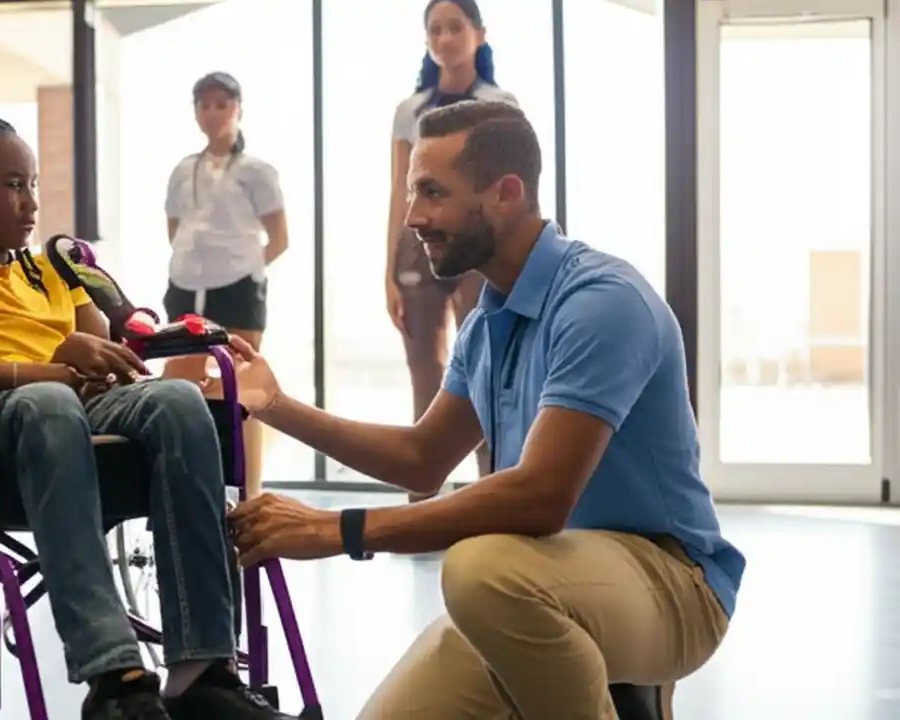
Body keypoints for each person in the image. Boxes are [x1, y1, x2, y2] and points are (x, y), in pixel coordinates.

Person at [219, 100, 746, 719]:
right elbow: (423, 459)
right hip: (538, 580)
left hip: (670, 583)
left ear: (506, 193)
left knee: (480, 569)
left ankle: (627, 691)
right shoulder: (487, 322)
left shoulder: (601, 302)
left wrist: (339, 530)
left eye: (432, 192)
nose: (413, 217)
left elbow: (540, 497)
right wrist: (276, 404)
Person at [0, 111, 295, 720]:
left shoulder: (55, 269)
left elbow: (100, 349)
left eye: (32, 184)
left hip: (74, 407)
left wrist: (101, 355)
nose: (29, 202)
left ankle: (202, 671)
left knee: (179, 399)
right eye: (11, 185)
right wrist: (45, 367)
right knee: (50, 402)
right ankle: (113, 674)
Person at [386, 0, 516, 501]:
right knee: (424, 366)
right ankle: (423, 494)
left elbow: (513, 189)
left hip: (478, 245)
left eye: (455, 27)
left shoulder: (500, 105)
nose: (445, 38)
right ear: (427, 40)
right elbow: (398, 192)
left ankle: (495, 488)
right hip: (417, 249)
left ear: (478, 35)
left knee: (487, 361)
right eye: (435, 30)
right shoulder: (410, 111)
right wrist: (389, 271)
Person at [162, 71, 288, 499]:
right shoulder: (183, 170)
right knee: (178, 384)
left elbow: (280, 237)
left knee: (241, 388)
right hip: (186, 284)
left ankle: (250, 491)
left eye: (221, 103)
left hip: (237, 286)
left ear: (237, 108)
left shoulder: (258, 171)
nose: (212, 112)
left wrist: (248, 268)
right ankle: (183, 488)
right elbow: (174, 228)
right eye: (204, 104)